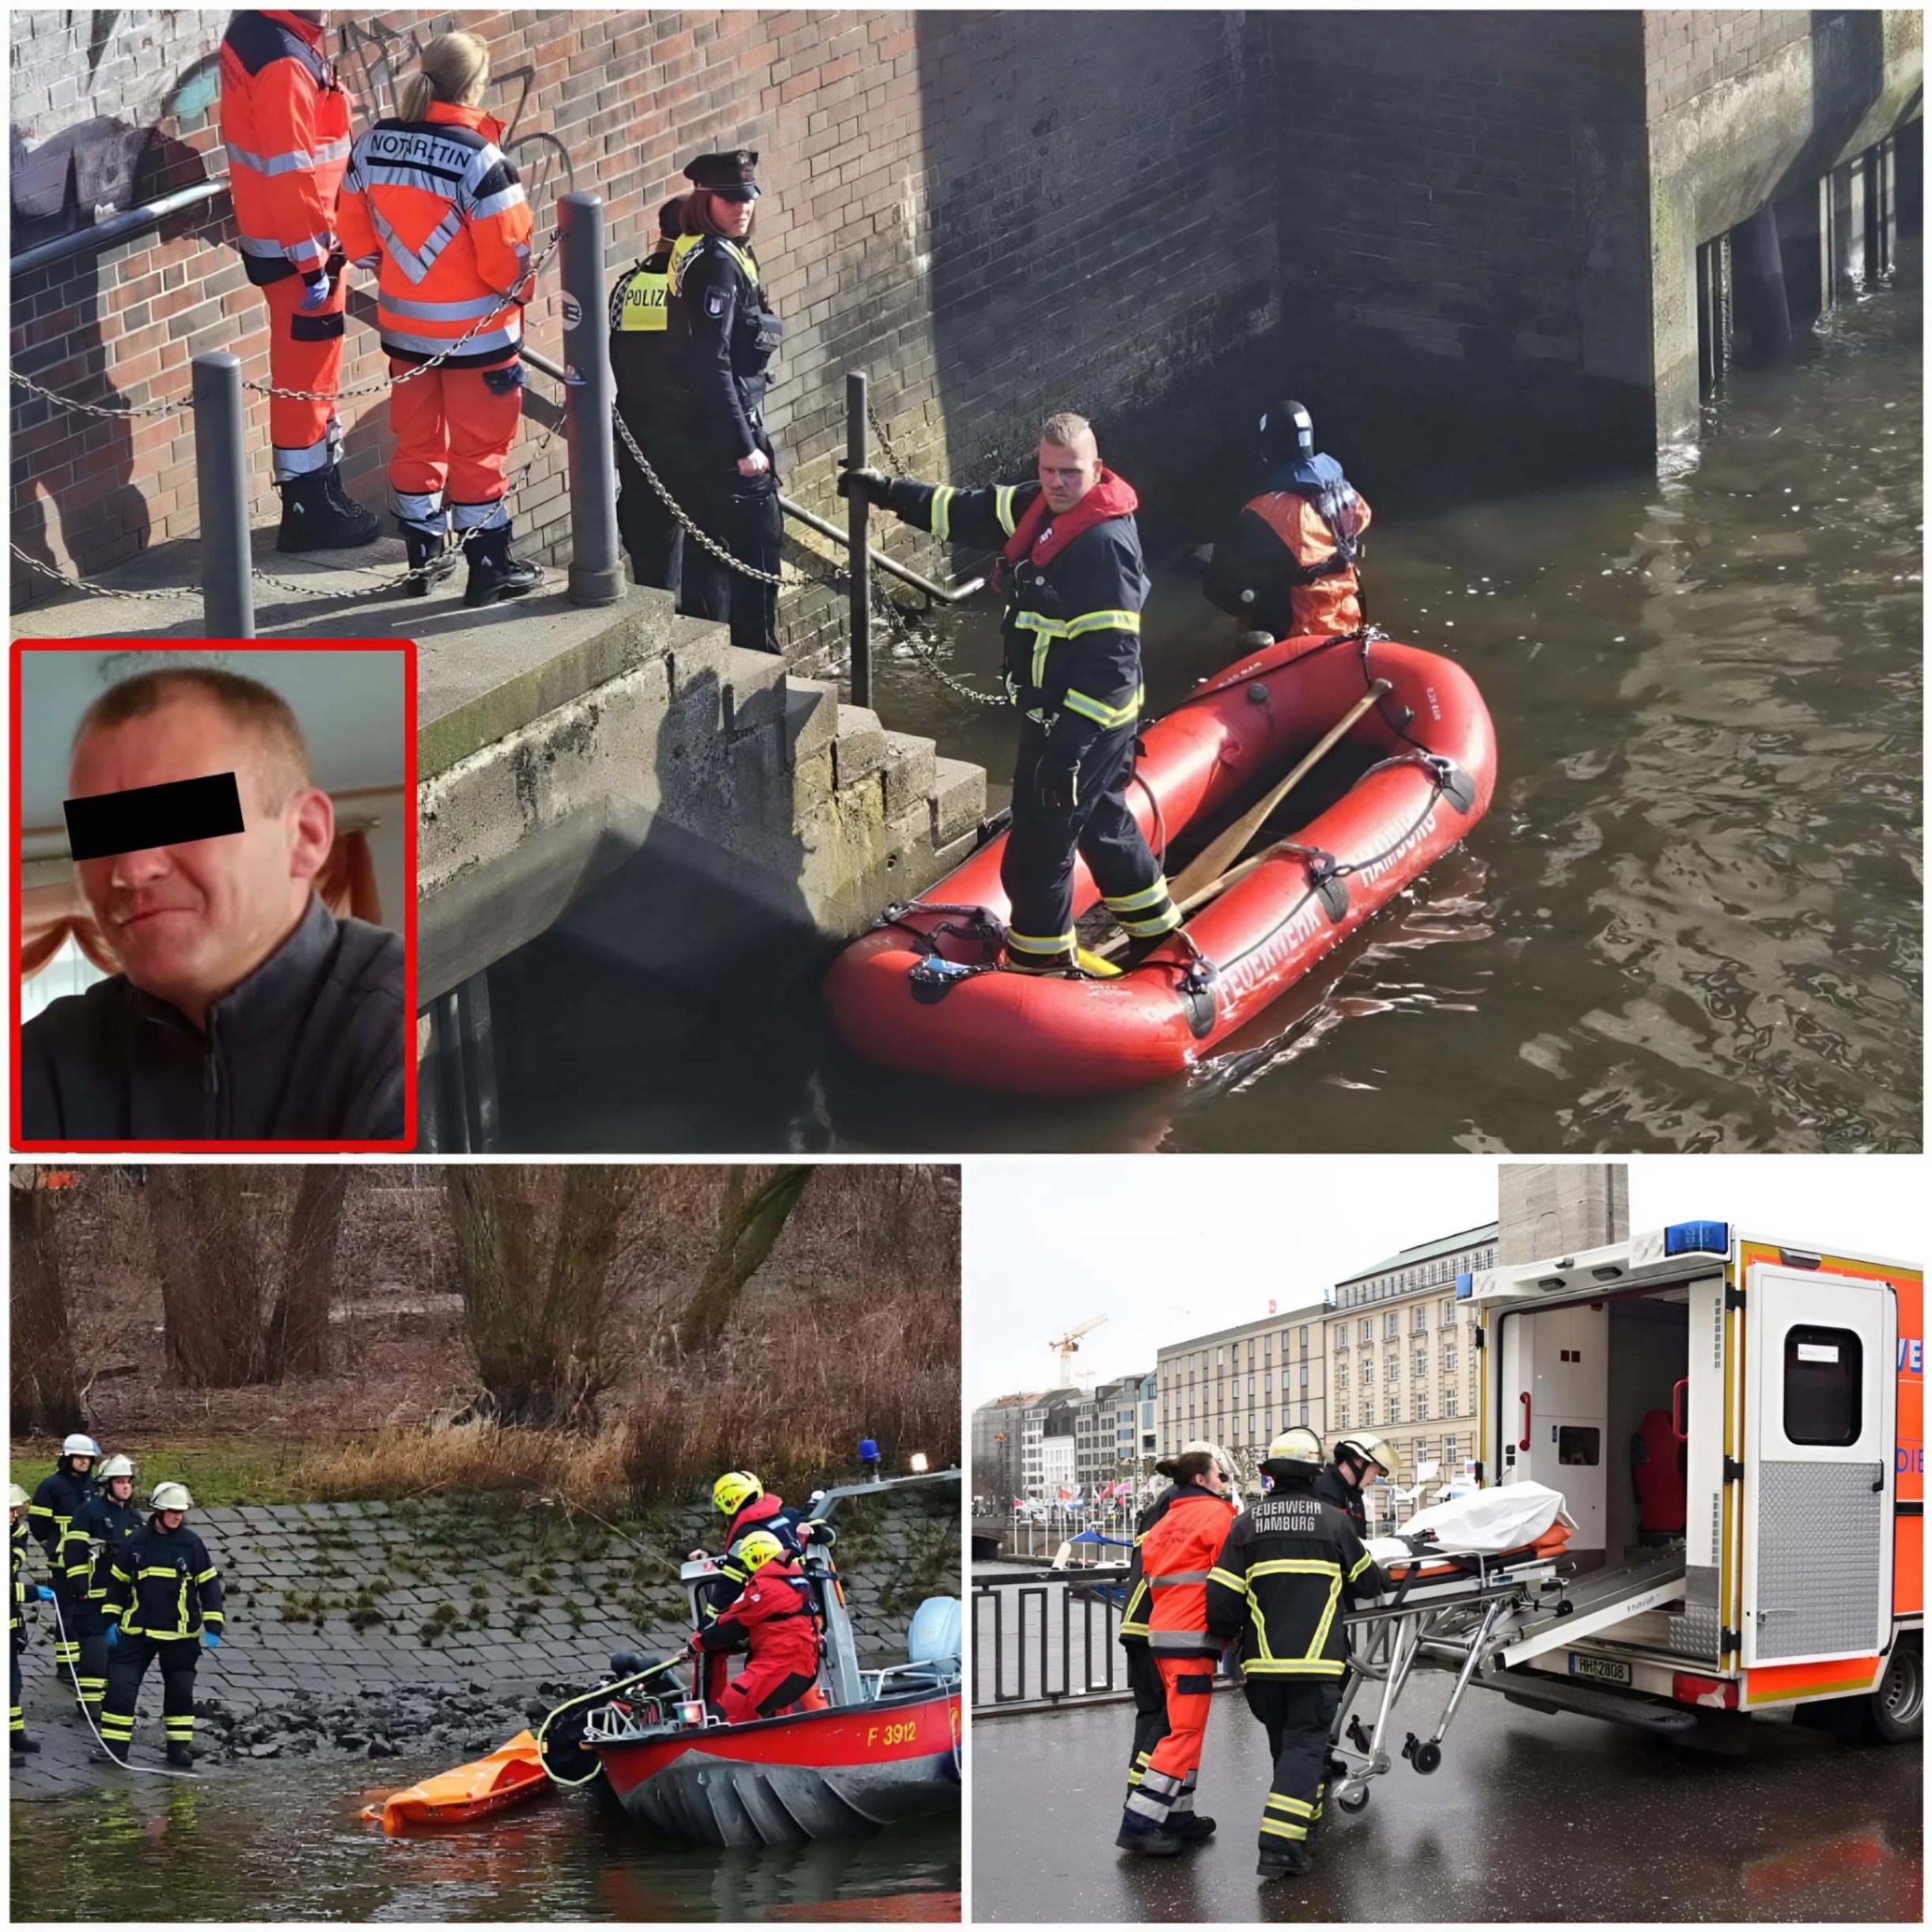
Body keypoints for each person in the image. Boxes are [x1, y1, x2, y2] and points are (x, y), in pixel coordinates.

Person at [840, 415, 1183, 974]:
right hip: (1061, 714)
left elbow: (1112, 664)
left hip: (1083, 722)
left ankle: (1039, 966)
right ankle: (1158, 934)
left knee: (1040, 850)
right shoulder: (1038, 507)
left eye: (1070, 473)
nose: (1057, 483)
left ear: (1097, 471)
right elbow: (968, 510)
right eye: (1048, 471)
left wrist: (1067, 750)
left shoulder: (1102, 546)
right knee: (1102, 824)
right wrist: (889, 493)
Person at [17, 669, 406, 1142]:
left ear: (305, 837)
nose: (131, 870)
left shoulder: (402, 1028)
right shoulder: (40, 1063)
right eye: (99, 835)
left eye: (181, 817)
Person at [335, 31, 543, 607]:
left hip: (405, 331)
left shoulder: (373, 143)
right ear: (477, 86)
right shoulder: (483, 159)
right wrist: (516, 298)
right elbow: (508, 261)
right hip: (478, 339)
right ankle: (489, 569)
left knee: (417, 444)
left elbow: (352, 228)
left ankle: (422, 562)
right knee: (479, 452)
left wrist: (391, 272)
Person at [218, 9, 381, 551]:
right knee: (307, 380)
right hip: (302, 254)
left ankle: (317, 491)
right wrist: (314, 260)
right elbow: (291, 170)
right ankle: (309, 506)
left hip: (285, 244)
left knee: (307, 373)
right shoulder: (285, 60)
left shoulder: (257, 33)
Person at [1207, 1427, 1388, 1881]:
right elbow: (1369, 1582)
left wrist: (1226, 1638)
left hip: (1263, 1669)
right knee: (1306, 1749)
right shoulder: (1334, 1521)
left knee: (1287, 1751)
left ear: (1269, 1475)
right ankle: (1281, 1847)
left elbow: (1222, 1600)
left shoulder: (1245, 1525)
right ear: (1312, 1474)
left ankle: (1302, 1826)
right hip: (1317, 1665)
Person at [666, 150, 786, 653]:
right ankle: (758, 657)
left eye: (748, 199)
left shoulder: (710, 249)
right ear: (705, 200)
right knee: (758, 546)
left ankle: (710, 653)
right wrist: (744, 445)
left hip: (703, 423)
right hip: (727, 427)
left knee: (708, 545)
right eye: (730, 200)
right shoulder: (716, 263)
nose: (743, 209)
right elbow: (712, 360)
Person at [1113, 1445, 1239, 1857]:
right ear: (1202, 1479)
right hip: (1193, 1638)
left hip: (1163, 1636)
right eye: (1219, 1475)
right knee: (1182, 1731)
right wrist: (1235, 1629)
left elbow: (1151, 1571)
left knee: (1188, 1730)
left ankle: (1177, 1814)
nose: (1224, 1482)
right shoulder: (1218, 1515)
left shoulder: (1167, 1520)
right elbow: (1231, 1574)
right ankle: (1141, 1821)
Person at [1203, 400, 1372, 642]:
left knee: (1225, 586)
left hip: (1299, 630)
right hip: (1347, 617)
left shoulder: (1267, 510)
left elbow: (1225, 578)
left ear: (1269, 449)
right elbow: (1359, 520)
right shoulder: (1343, 489)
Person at [98, 1482, 225, 1770]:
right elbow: (117, 1585)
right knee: (120, 1690)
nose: (177, 1517)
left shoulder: (192, 1544)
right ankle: (114, 1749)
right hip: (136, 1632)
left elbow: (209, 1585)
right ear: (158, 1511)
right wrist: (109, 1620)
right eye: (172, 1511)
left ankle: (177, 1750)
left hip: (179, 1634)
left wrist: (214, 1622)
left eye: (181, 1512)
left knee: (180, 1694)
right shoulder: (136, 1543)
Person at [611, 196, 690, 597]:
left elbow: (621, 356)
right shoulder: (690, 290)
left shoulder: (628, 284)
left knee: (652, 553)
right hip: (681, 437)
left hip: (635, 430)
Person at [691, 1470, 810, 1702]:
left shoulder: (747, 1533)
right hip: (805, 1608)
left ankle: (711, 1715)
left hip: (776, 1627)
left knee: (738, 1688)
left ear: (730, 1501)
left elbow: (730, 1586)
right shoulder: (781, 1519)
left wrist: (705, 1629)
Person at [689, 1529, 820, 1723]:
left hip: (779, 1666)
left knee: (726, 1709)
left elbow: (734, 1625)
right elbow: (775, 1624)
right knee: (764, 1714)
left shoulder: (764, 1587)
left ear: (756, 1557)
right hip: (803, 1667)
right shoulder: (796, 1580)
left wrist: (697, 1644)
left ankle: (703, 1743)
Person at [27, 1433, 100, 1697]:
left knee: (84, 1612)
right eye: (80, 1458)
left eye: (88, 1459)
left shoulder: (92, 1486)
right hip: (62, 1562)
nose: (84, 1462)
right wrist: (53, 1546)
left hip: (89, 1561)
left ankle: (81, 1661)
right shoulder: (51, 1486)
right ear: (68, 1458)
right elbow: (38, 1524)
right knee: (66, 1613)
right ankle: (66, 1666)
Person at [74, 1454, 144, 1726]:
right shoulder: (89, 1512)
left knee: (118, 1652)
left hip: (122, 1596)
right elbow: (74, 1548)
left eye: (128, 1482)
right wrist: (80, 1584)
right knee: (94, 1649)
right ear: (107, 1484)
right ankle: (89, 1702)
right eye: (120, 1482)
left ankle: (108, 1701)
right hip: (94, 1593)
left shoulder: (134, 1517)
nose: (126, 1487)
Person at [11, 1483, 53, 1765]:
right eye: (9, 1511)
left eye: (15, 1511)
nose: (14, 1516)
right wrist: (32, 1592)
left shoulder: (14, 1536)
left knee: (12, 1686)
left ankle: (14, 1736)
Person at [1313, 1433, 1395, 1540]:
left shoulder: (1354, 1496)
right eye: (1375, 1472)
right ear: (1361, 1462)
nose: (1375, 1479)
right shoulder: (1323, 1491)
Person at [1631, 1408, 1688, 1546]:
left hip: (1647, 1526)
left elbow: (1637, 1494)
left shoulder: (1637, 1441)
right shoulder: (1682, 1446)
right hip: (1681, 1527)